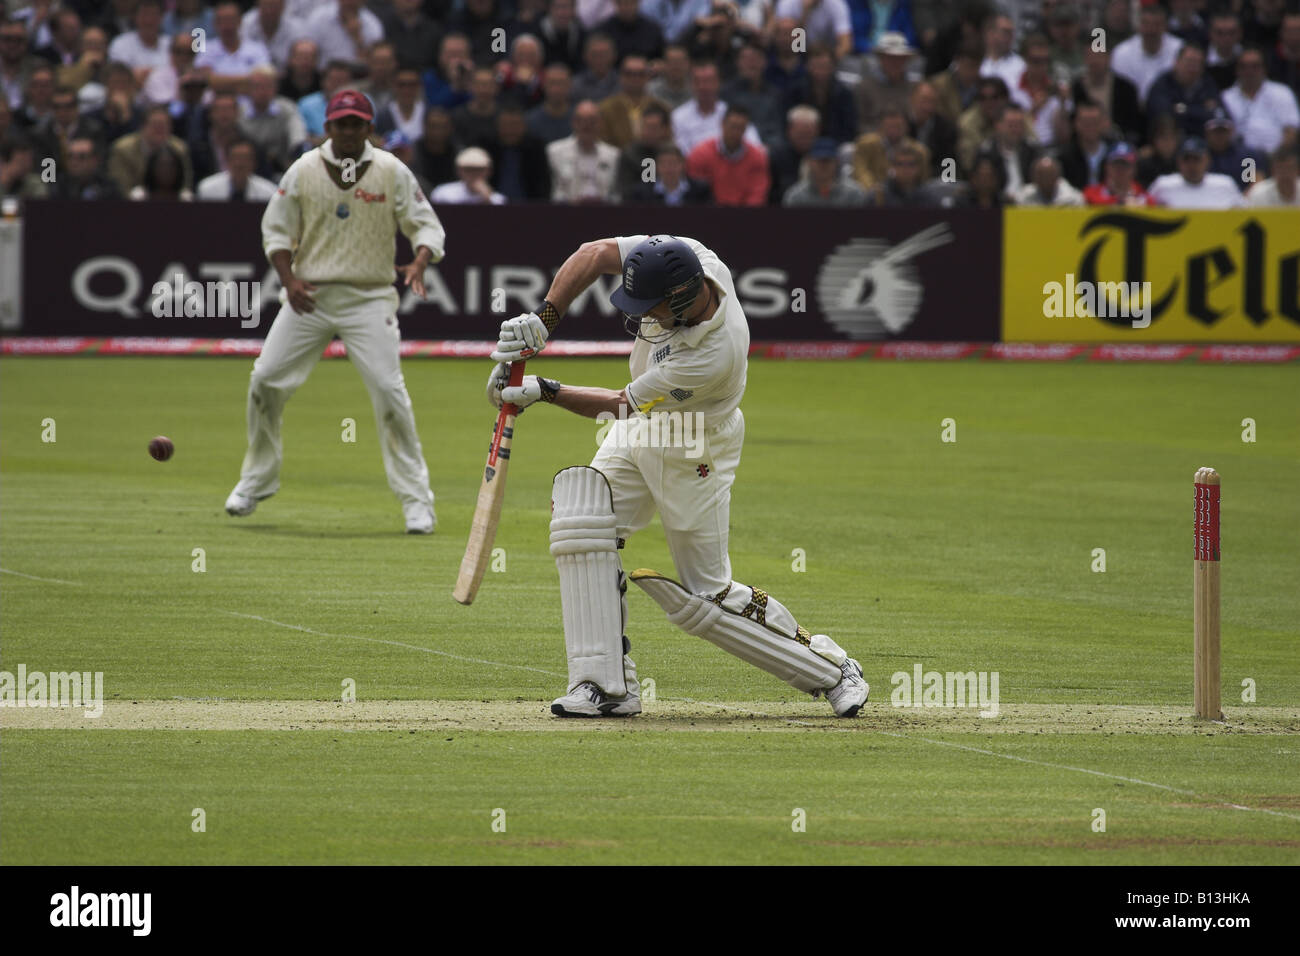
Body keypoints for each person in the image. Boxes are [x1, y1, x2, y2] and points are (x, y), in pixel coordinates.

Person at [483, 234, 871, 719]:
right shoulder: (691, 257)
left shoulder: (713, 353)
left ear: (683, 300)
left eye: (650, 308)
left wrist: (543, 390)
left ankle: (833, 669)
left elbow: (621, 405)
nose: (640, 317)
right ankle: (605, 686)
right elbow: (595, 253)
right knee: (582, 523)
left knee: (706, 599)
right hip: (642, 428)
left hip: (693, 444)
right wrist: (546, 319)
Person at [224, 90, 445, 534]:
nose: (348, 131)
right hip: (311, 295)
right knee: (265, 379)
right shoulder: (303, 170)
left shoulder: (391, 170)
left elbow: (425, 224)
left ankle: (417, 502)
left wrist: (420, 259)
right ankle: (257, 480)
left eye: (356, 123)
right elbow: (277, 231)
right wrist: (289, 281)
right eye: (340, 123)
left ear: (369, 128)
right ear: (327, 127)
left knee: (388, 391)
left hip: (369, 296)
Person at [1221, 46, 1300, 156]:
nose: (1250, 71)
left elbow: (1291, 131)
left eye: (1255, 66)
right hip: (1238, 159)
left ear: (1264, 68)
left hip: (1276, 158)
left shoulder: (1282, 93)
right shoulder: (1226, 97)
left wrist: (1274, 158)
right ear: (1237, 70)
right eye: (1244, 67)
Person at [685, 104, 768, 205]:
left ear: (746, 129)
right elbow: (696, 193)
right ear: (722, 124)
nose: (735, 132)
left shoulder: (757, 157)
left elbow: (757, 193)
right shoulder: (700, 154)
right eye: (732, 126)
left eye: (740, 128)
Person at [1111, 1, 1183, 105]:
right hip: (1132, 109)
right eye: (1146, 24)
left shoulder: (1179, 49)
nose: (1151, 30)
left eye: (1156, 25)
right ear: (1139, 26)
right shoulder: (1121, 53)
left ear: (1165, 26)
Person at [1148, 137, 1244, 208]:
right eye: (1186, 159)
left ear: (1207, 160)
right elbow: (1145, 209)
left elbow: (1244, 212)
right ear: (1178, 161)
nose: (1191, 165)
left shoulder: (1225, 184)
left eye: (1196, 159)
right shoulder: (1163, 185)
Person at [784, 135, 868, 206]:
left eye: (827, 160)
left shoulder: (853, 193)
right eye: (819, 161)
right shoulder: (796, 196)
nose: (823, 165)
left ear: (837, 162)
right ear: (809, 162)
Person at [196, 136, 277, 200]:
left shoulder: (268, 192)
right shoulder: (207, 189)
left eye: (245, 158)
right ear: (227, 160)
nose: (240, 164)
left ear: (254, 162)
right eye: (236, 157)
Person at [1083, 141, 1153, 206]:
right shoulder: (1090, 195)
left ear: (1134, 168)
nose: (1120, 169)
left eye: (1125, 165)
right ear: (1107, 166)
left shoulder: (1144, 198)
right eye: (1115, 164)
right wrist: (1120, 201)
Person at [431, 145, 506, 203]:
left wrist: (487, 198)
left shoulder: (497, 199)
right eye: (468, 169)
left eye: (479, 169)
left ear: (489, 171)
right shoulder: (442, 193)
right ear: (459, 170)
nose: (473, 174)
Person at [1015, 153, 1082, 206]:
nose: (1045, 180)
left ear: (1058, 177)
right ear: (1033, 177)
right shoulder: (1023, 198)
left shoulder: (1073, 199)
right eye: (1040, 175)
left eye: (1049, 175)